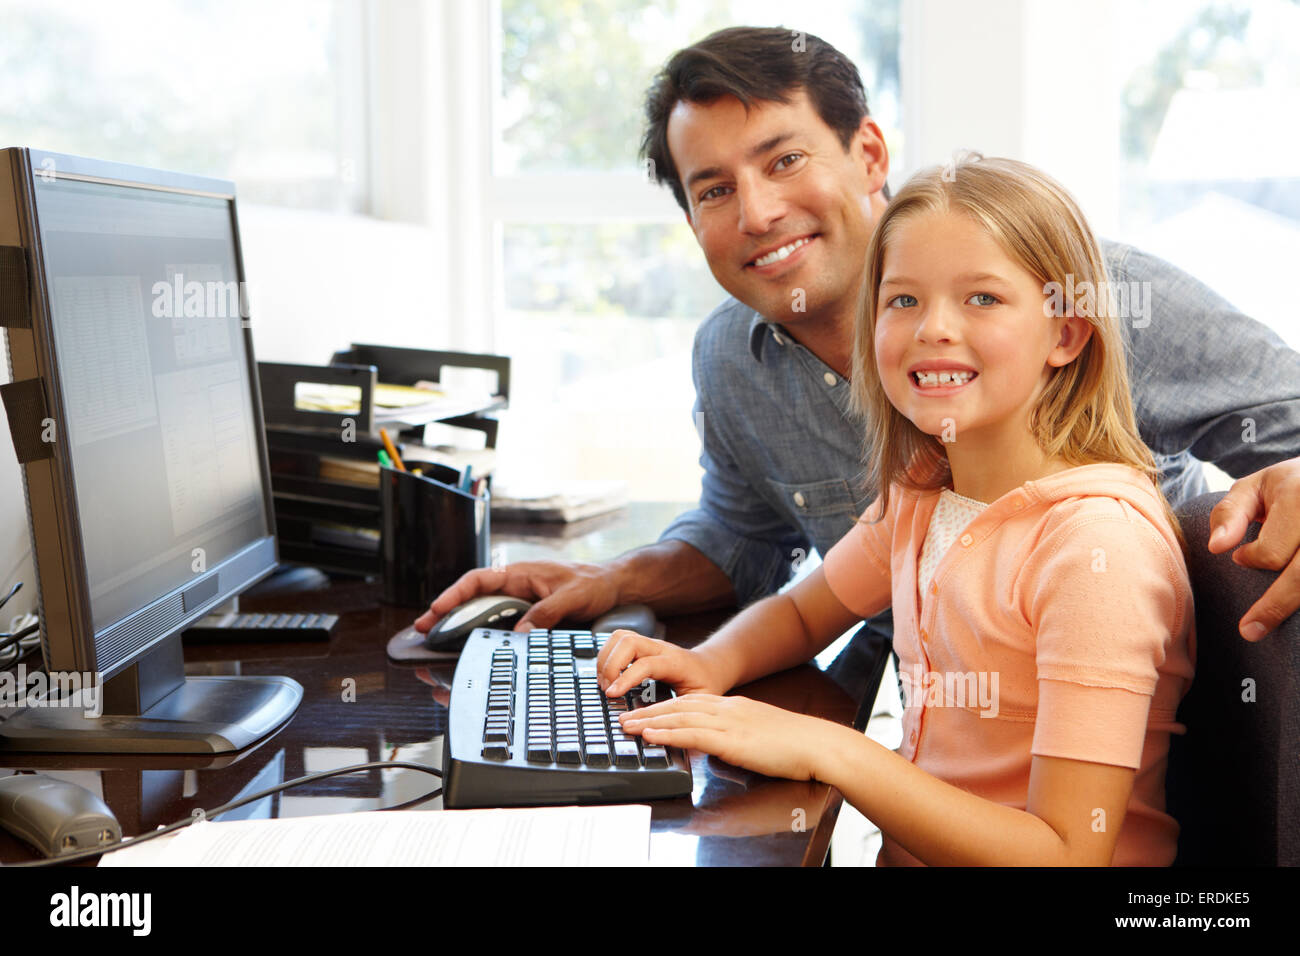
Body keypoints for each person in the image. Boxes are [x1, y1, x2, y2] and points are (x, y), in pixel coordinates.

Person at [415, 26, 1300, 672]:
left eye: (785, 160)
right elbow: (742, 540)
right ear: (691, 221)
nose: (757, 213)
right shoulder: (731, 359)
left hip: (1144, 741)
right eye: (714, 189)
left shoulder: (1071, 293)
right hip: (921, 732)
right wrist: (609, 578)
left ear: (868, 153)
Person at [597, 155, 1194, 866]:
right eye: (902, 300)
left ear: (1064, 335)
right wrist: (707, 663)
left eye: (982, 299)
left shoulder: (1098, 549)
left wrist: (834, 751)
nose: (932, 328)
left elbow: (1067, 855)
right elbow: (802, 613)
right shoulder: (922, 491)